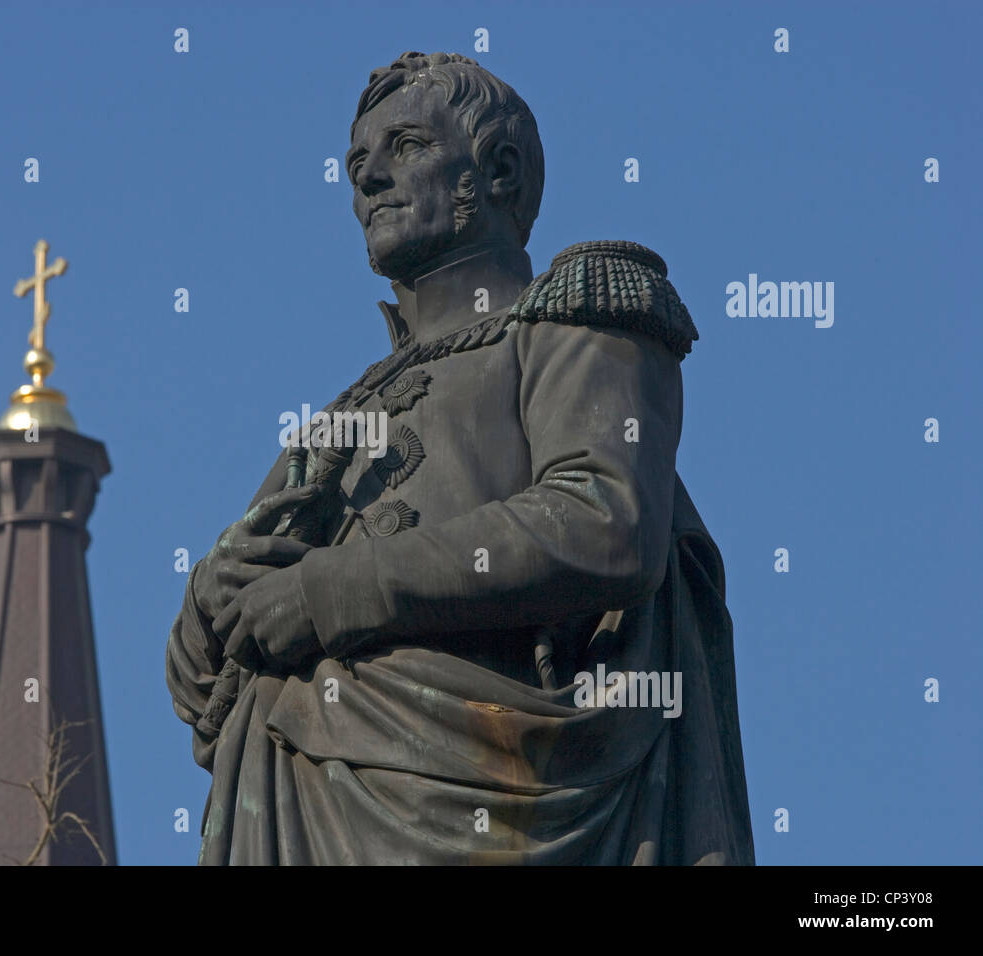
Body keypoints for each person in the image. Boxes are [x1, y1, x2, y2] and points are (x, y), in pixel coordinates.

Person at [166, 51, 754, 865]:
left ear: (501, 171)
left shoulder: (575, 324)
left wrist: (328, 590)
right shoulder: (338, 421)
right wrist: (208, 604)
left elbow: (606, 523)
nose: (370, 180)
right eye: (356, 165)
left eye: (404, 146)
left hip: (502, 801)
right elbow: (205, 698)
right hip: (304, 807)